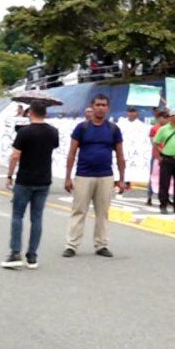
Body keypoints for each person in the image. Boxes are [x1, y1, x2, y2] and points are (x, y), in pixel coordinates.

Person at [63, 94, 127, 258]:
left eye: (103, 105)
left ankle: (101, 245)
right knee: (79, 211)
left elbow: (120, 155)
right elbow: (72, 153)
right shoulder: (81, 128)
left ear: (108, 108)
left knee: (102, 212)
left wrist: (121, 179)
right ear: (92, 107)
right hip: (83, 175)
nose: (100, 108)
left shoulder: (113, 129)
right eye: (97, 105)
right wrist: (68, 177)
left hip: (106, 176)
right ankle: (72, 245)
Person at [4, 101, 59, 269]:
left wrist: (9, 175)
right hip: (44, 179)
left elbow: (15, 156)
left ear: (30, 113)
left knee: (17, 216)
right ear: (45, 113)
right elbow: (53, 147)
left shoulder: (24, 132)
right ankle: (32, 255)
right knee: (37, 218)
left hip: (25, 179)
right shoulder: (53, 132)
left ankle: (15, 252)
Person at [116, 106, 144, 192]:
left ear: (137, 113)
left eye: (134, 112)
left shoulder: (140, 125)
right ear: (127, 113)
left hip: (134, 150)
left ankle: (127, 183)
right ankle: (119, 182)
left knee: (130, 166)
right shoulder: (121, 123)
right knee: (120, 166)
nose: (132, 114)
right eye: (130, 112)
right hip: (122, 148)